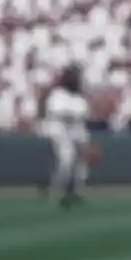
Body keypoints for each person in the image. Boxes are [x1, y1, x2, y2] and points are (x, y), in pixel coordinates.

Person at [39, 65, 95, 209]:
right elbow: (57, 112)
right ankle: (54, 189)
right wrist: (73, 115)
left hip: (77, 131)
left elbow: (84, 113)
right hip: (61, 132)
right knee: (66, 161)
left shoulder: (79, 97)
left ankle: (76, 191)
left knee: (81, 165)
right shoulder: (58, 94)